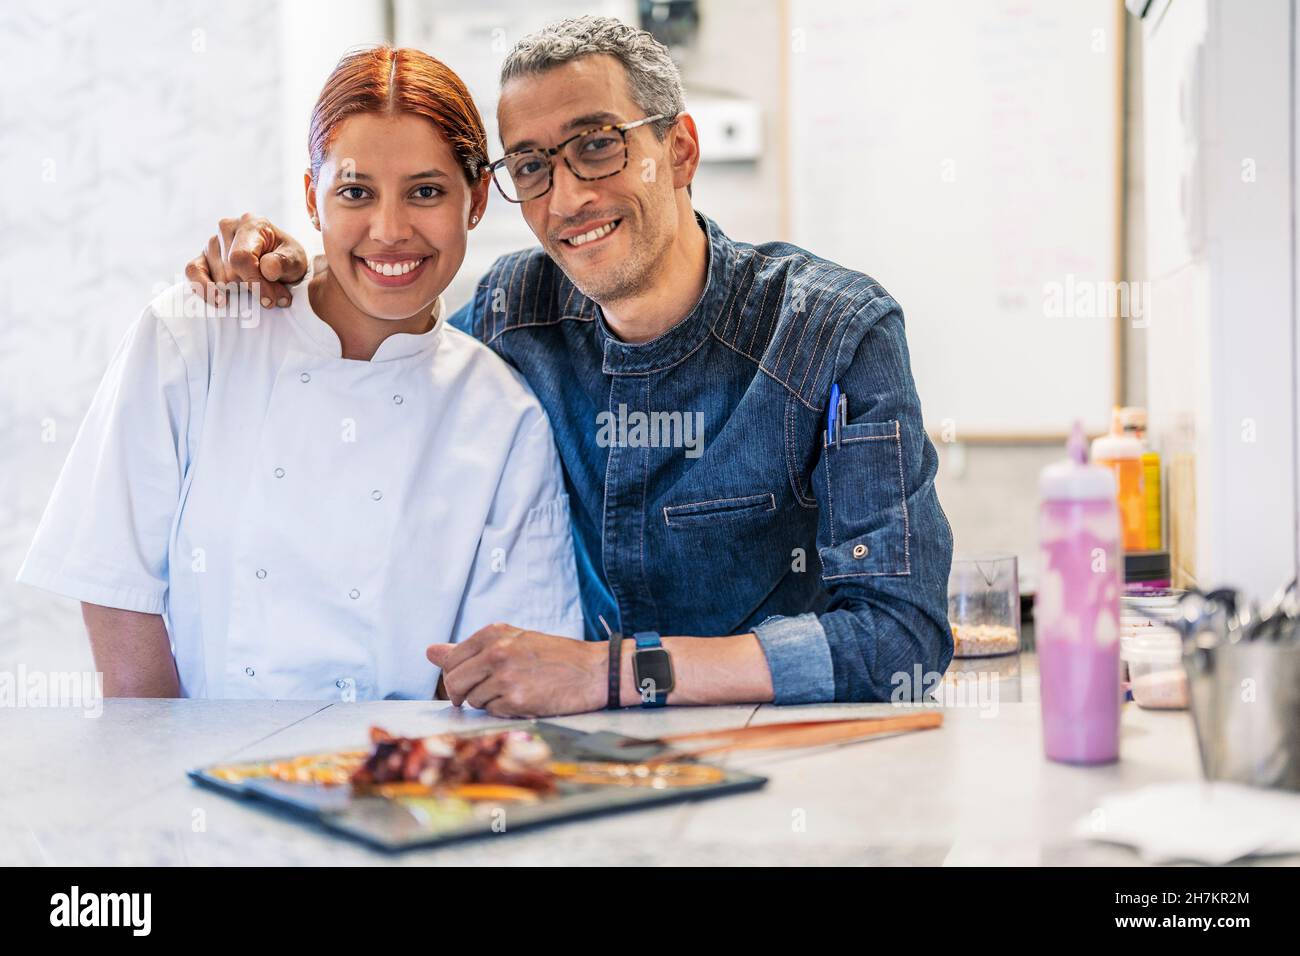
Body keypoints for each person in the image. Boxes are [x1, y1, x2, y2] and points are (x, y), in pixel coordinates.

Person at [186, 16, 954, 716]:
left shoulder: (831, 331)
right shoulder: (512, 311)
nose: (569, 197)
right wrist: (286, 267)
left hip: (787, 774)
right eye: (531, 166)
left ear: (680, 150)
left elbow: (899, 641)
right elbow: (387, 354)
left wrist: (610, 673)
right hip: (574, 776)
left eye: (598, 145)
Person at [18, 46, 583, 700]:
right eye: (354, 191)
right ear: (313, 199)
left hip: (393, 787)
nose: (390, 230)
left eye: (425, 191)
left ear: (477, 199)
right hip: (201, 778)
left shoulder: (502, 415)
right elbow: (118, 591)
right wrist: (167, 785)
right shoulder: (196, 334)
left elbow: (498, 675)